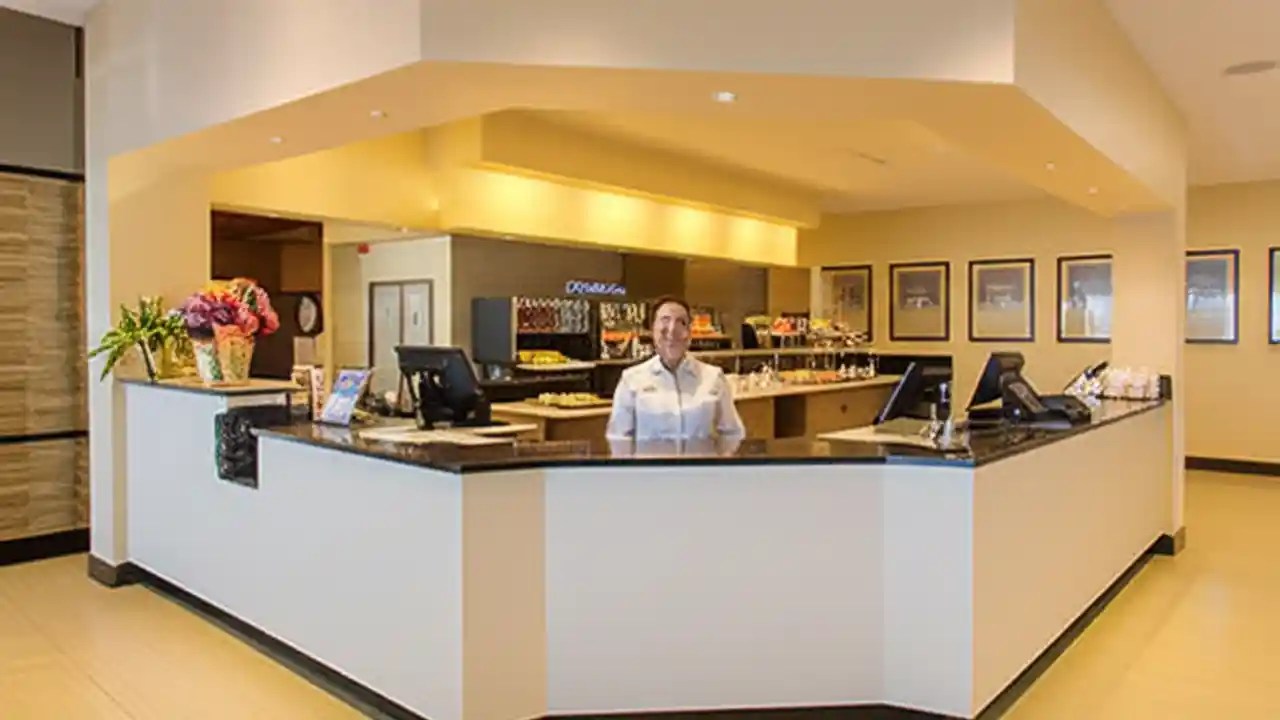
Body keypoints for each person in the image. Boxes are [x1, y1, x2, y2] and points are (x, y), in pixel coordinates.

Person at [606, 295, 745, 440]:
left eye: (681, 322)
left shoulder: (714, 377)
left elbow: (733, 433)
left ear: (689, 332)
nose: (672, 330)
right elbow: (618, 438)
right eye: (665, 320)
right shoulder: (631, 380)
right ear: (652, 330)